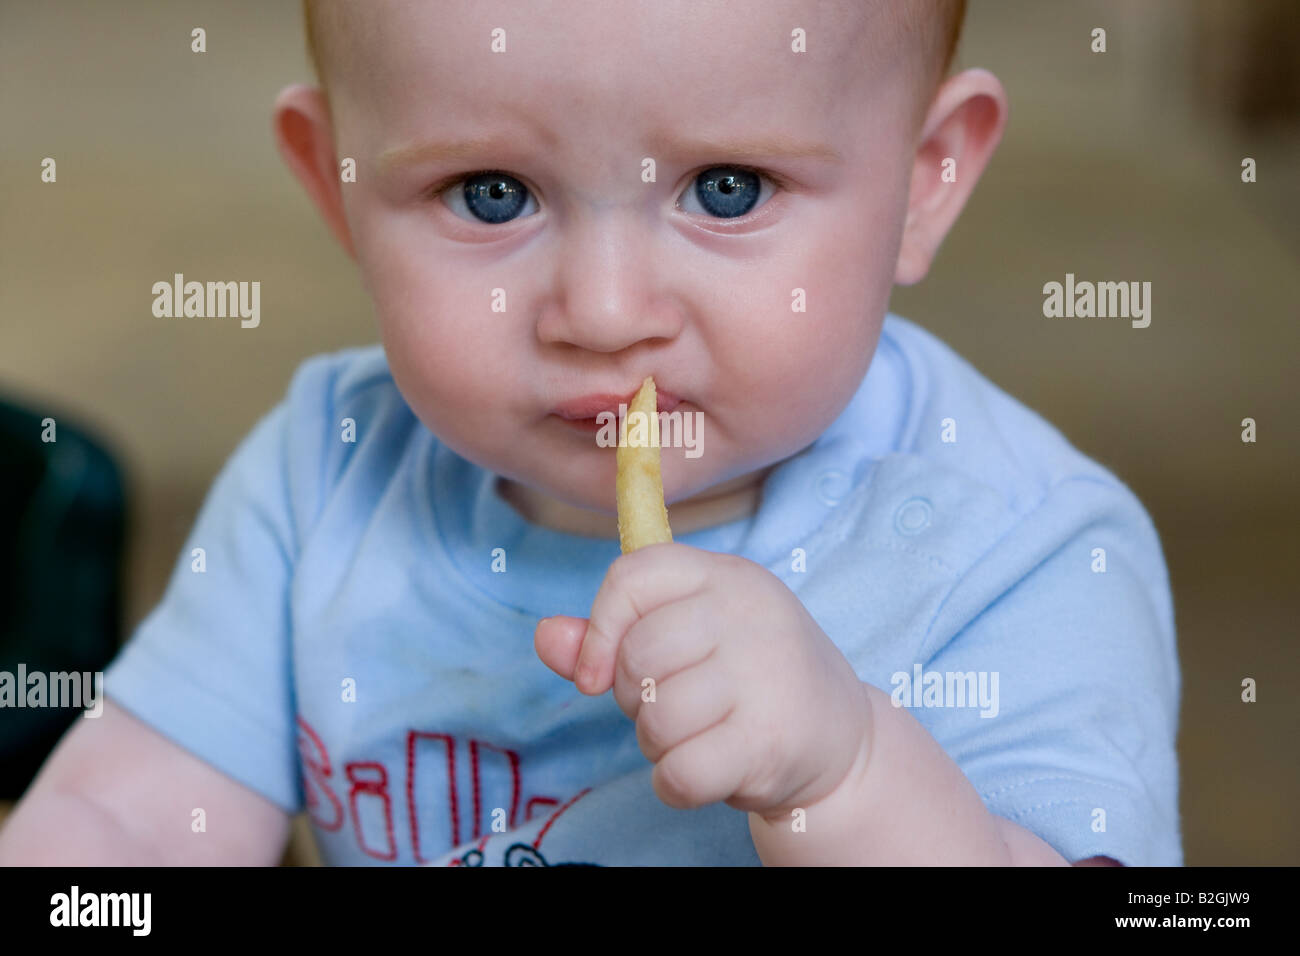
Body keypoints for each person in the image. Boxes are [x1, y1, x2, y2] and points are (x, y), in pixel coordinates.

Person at [0, 0, 1180, 866]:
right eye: (490, 193)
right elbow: (122, 822)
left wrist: (851, 774)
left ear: (924, 180)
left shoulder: (1027, 551)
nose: (607, 314)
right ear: (336, 185)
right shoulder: (321, 476)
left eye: (726, 188)